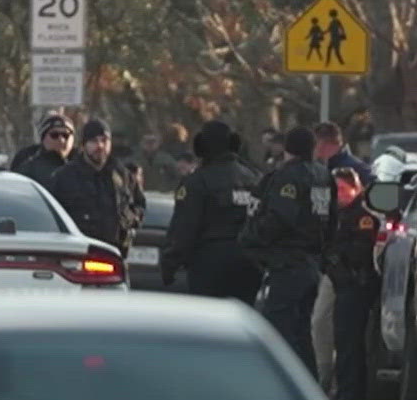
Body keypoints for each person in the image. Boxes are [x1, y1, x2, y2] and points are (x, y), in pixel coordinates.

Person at [241, 126, 331, 378]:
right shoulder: (323, 175)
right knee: (302, 328)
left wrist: (254, 237)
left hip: (289, 260)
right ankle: (308, 382)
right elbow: (330, 217)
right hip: (313, 261)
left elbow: (281, 217)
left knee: (278, 325)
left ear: (288, 149)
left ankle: (283, 382)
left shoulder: (289, 176)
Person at [161, 121, 262, 298]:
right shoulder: (254, 179)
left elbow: (185, 228)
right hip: (249, 263)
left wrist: (170, 263)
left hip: (209, 263)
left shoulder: (197, 182)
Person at [310, 121, 375, 391]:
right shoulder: (322, 170)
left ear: (325, 144)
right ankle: (328, 379)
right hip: (328, 262)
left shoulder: (355, 173)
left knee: (334, 326)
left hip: (349, 268)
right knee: (325, 323)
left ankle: (330, 380)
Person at [325, 167, 379, 400]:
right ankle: (345, 391)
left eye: (342, 190)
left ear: (356, 189)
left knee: (351, 341)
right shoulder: (337, 214)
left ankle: (352, 395)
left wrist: (337, 255)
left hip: (356, 284)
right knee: (342, 339)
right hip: (343, 283)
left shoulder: (362, 216)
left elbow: (360, 252)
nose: (338, 195)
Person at [50, 120, 145, 255]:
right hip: (79, 252)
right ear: (83, 145)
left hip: (115, 252)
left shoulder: (122, 175)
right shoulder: (65, 177)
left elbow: (139, 204)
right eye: (94, 141)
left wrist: (129, 218)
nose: (100, 146)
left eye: (104, 140)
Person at [16, 113, 75, 188]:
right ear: (43, 139)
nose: (61, 140)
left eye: (65, 135)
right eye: (54, 135)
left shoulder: (83, 169)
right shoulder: (28, 170)